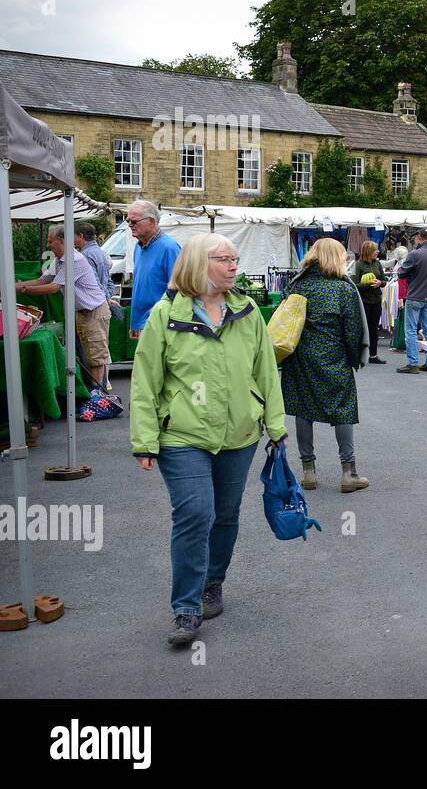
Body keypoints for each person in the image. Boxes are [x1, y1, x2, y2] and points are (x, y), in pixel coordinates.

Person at [130, 233, 287, 646]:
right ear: (200, 264)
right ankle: (186, 608)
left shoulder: (248, 310)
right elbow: (145, 382)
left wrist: (276, 427)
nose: (234, 266)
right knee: (196, 514)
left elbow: (266, 372)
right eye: (225, 259)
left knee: (226, 514)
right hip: (183, 434)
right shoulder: (165, 316)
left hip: (239, 433)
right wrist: (145, 439)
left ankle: (212, 583)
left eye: (235, 259)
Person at [281, 238, 368, 493]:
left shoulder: (296, 284)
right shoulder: (343, 290)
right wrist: (354, 359)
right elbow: (352, 332)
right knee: (342, 411)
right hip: (333, 359)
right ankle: (348, 472)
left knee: (303, 411)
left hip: (299, 360)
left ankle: (308, 472)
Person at [16, 225, 110, 387]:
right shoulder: (59, 260)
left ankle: (98, 399)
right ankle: (94, 396)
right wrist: (15, 286)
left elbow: (53, 287)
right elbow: (42, 281)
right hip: (84, 312)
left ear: (61, 241)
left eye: (50, 241)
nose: (48, 245)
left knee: (95, 358)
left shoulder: (74, 259)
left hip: (93, 311)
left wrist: (22, 288)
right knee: (89, 356)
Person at [126, 199, 181, 339]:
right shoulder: (139, 248)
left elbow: (179, 290)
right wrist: (135, 322)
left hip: (161, 324)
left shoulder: (169, 248)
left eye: (134, 221)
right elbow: (140, 289)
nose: (130, 225)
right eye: (128, 221)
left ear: (152, 221)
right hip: (145, 324)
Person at [395, 229, 427, 374]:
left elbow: (402, 273)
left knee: (410, 330)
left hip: (415, 296)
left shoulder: (415, 254)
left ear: (419, 238)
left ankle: (413, 363)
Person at [351, 240, 388, 364]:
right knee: (362, 329)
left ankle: (373, 355)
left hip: (376, 300)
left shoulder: (377, 263)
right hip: (364, 301)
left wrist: (380, 283)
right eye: (375, 250)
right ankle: (358, 355)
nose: (377, 251)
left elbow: (384, 280)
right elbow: (354, 285)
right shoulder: (358, 265)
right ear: (368, 252)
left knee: (373, 329)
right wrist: (368, 284)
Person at [75, 223, 114, 309]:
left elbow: (95, 283)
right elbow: (109, 282)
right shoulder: (101, 252)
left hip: (93, 308)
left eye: (74, 236)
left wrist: (104, 298)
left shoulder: (85, 256)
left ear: (81, 236)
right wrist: (107, 297)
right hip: (101, 305)